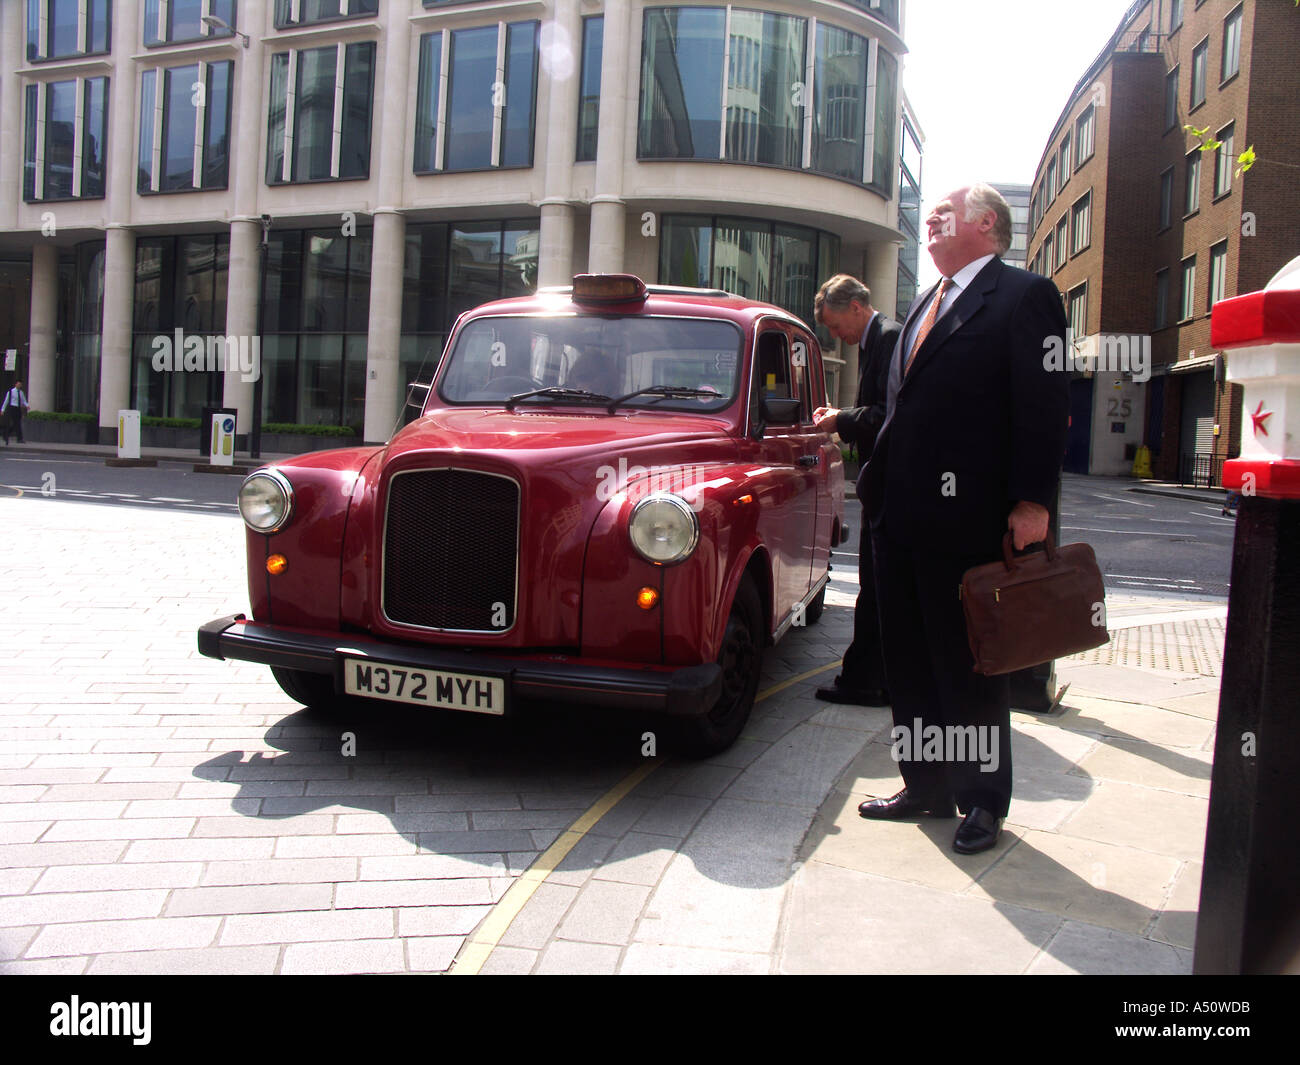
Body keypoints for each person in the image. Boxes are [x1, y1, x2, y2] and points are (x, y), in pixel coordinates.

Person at [856, 184, 1070, 855]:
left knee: (967, 667)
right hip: (899, 514)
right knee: (911, 661)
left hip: (969, 521)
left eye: (945, 209)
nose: (931, 217)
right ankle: (925, 784)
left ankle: (981, 800)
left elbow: (1042, 404)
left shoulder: (1024, 295)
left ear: (987, 223)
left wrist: (1033, 502)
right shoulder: (927, 297)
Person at [810, 275, 901, 706]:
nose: (835, 335)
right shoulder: (878, 339)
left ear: (856, 308)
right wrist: (844, 416)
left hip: (890, 483)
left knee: (878, 585)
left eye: (834, 325)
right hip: (881, 482)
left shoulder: (887, 338)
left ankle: (868, 680)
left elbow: (889, 413)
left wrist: (840, 420)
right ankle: (872, 675)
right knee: (876, 583)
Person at [1, 380, 29, 445]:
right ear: (15, 384)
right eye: (18, 384)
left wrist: (27, 406)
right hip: (12, 408)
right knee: (17, 423)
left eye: (20, 384)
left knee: (16, 423)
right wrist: (2, 410)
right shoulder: (11, 392)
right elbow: (6, 401)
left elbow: (23, 401)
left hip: (18, 408)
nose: (19, 385)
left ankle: (5, 434)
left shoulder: (21, 393)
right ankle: (19, 438)